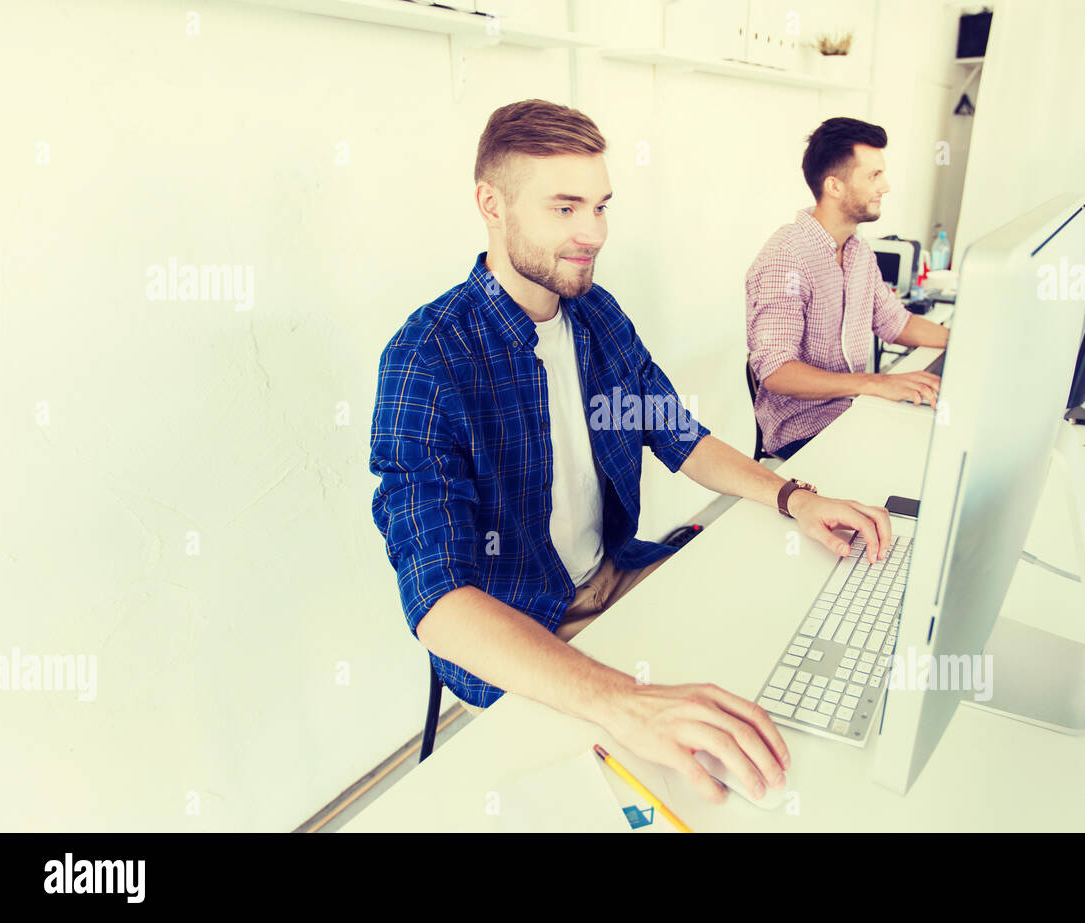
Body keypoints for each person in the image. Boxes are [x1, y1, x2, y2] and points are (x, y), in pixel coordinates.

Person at [370, 99, 894, 803]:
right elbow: (439, 601)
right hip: (526, 630)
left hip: (619, 578)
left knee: (784, 657)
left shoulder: (596, 316)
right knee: (690, 778)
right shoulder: (428, 359)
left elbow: (680, 436)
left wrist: (793, 496)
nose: (594, 233)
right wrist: (624, 701)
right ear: (490, 204)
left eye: (601, 206)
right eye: (564, 208)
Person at [747, 117, 950, 460]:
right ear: (834, 187)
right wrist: (874, 383)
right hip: (804, 428)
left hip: (853, 409)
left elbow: (895, 323)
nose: (885, 187)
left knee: (937, 436)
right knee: (921, 456)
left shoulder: (858, 251)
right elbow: (778, 373)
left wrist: (968, 343)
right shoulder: (785, 259)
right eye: (873, 176)